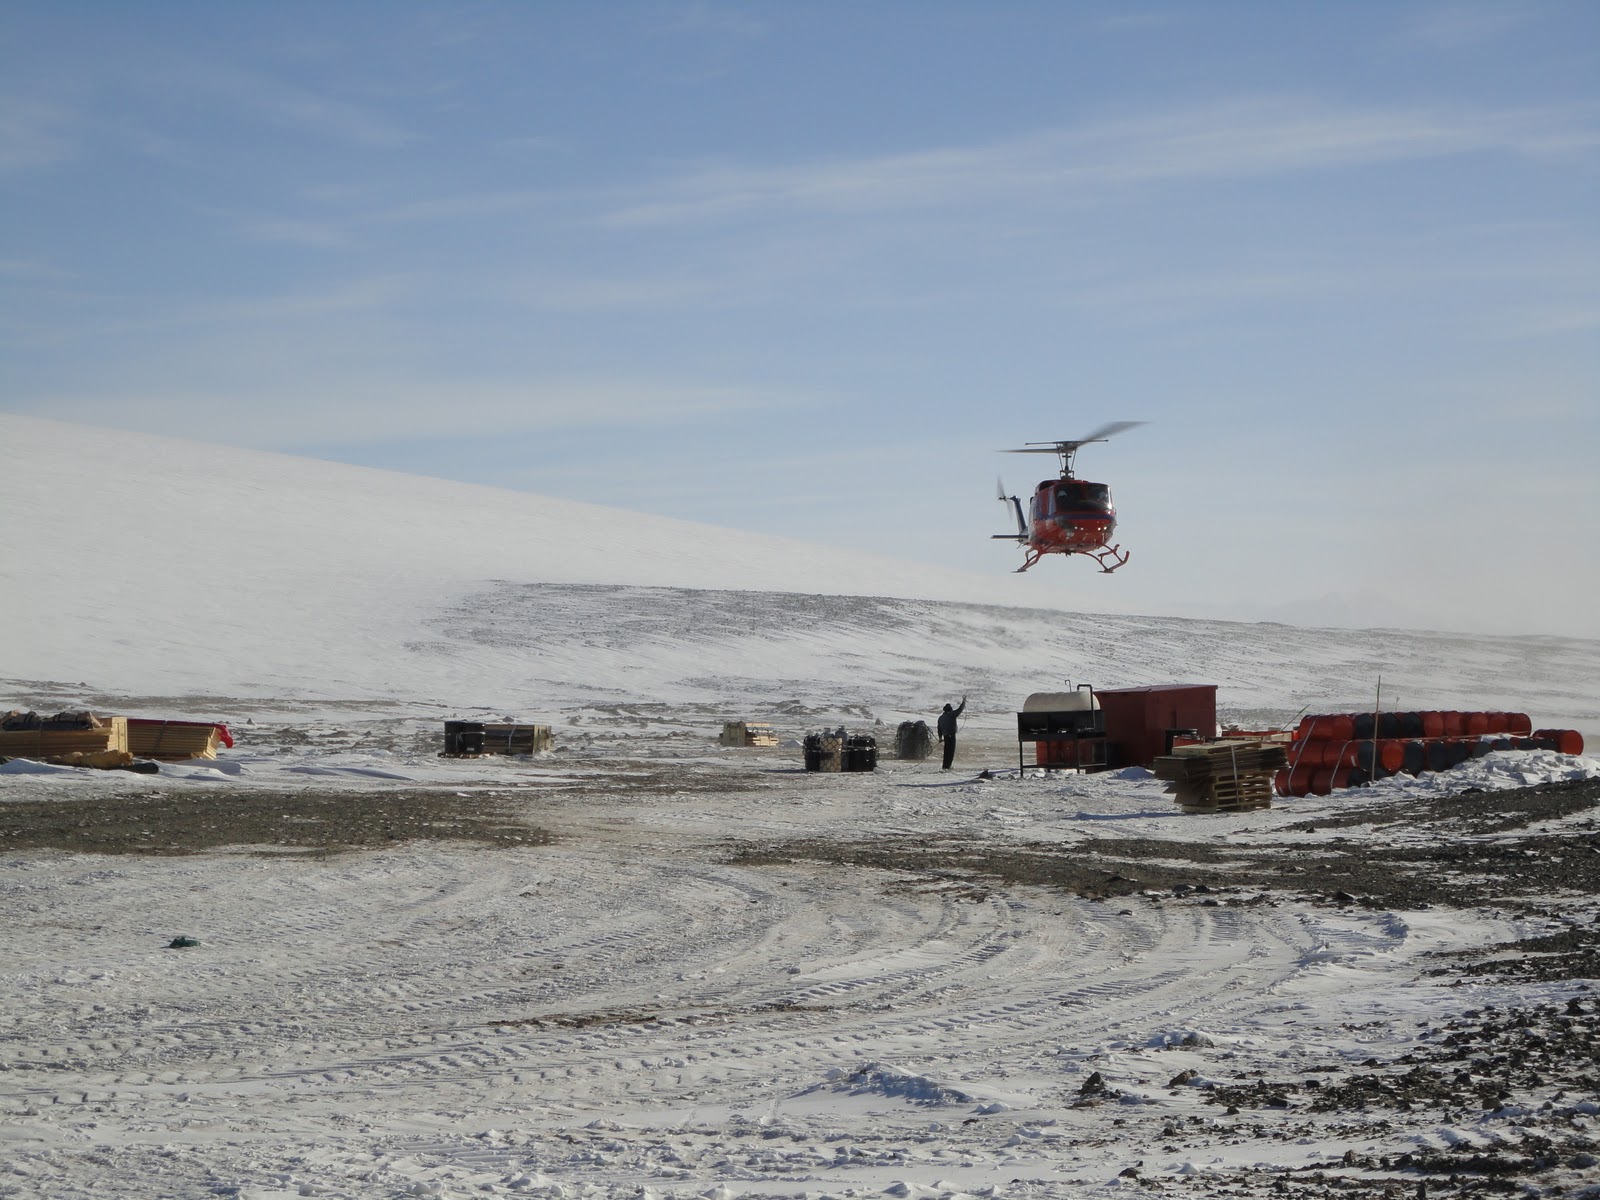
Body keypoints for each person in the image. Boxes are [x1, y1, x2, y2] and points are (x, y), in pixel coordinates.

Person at [936, 696, 966, 769]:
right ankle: (948, 767)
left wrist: (940, 738)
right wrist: (964, 702)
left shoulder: (940, 718)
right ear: (950, 710)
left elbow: (939, 729)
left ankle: (944, 766)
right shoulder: (952, 715)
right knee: (951, 752)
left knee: (946, 752)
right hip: (951, 736)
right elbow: (960, 709)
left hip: (945, 736)